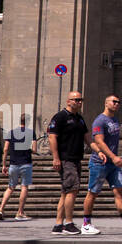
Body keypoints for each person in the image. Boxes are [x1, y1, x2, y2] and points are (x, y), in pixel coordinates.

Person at [81, 95, 122, 235]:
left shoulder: (115, 119)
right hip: (100, 163)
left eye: (118, 102)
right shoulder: (100, 121)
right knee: (93, 193)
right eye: (114, 102)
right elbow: (99, 142)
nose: (117, 104)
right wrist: (113, 157)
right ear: (106, 103)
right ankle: (86, 224)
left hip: (113, 165)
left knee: (119, 191)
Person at [48, 91, 95, 236]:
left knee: (65, 192)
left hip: (76, 158)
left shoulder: (79, 119)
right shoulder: (60, 117)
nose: (79, 102)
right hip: (66, 158)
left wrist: (99, 151)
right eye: (76, 100)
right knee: (72, 191)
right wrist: (56, 158)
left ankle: (58, 224)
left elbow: (88, 138)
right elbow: (51, 137)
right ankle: (68, 223)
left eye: (81, 100)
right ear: (68, 101)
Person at [0, 114, 36, 221]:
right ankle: (20, 212)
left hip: (13, 164)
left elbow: (5, 149)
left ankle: (1, 209)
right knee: (24, 187)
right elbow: (34, 149)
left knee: (10, 187)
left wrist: (4, 164)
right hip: (26, 163)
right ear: (27, 122)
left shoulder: (11, 132)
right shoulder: (30, 132)